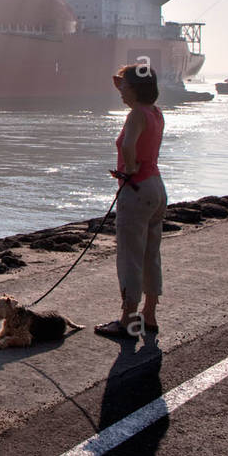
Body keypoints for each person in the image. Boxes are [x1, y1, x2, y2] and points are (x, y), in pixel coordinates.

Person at [95, 64, 167, 339]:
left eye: (124, 86)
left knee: (130, 257)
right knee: (151, 254)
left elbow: (128, 145)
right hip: (156, 187)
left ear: (135, 88)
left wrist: (130, 167)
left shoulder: (136, 114)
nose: (120, 91)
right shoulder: (155, 113)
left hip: (136, 189)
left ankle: (127, 319)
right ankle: (149, 314)